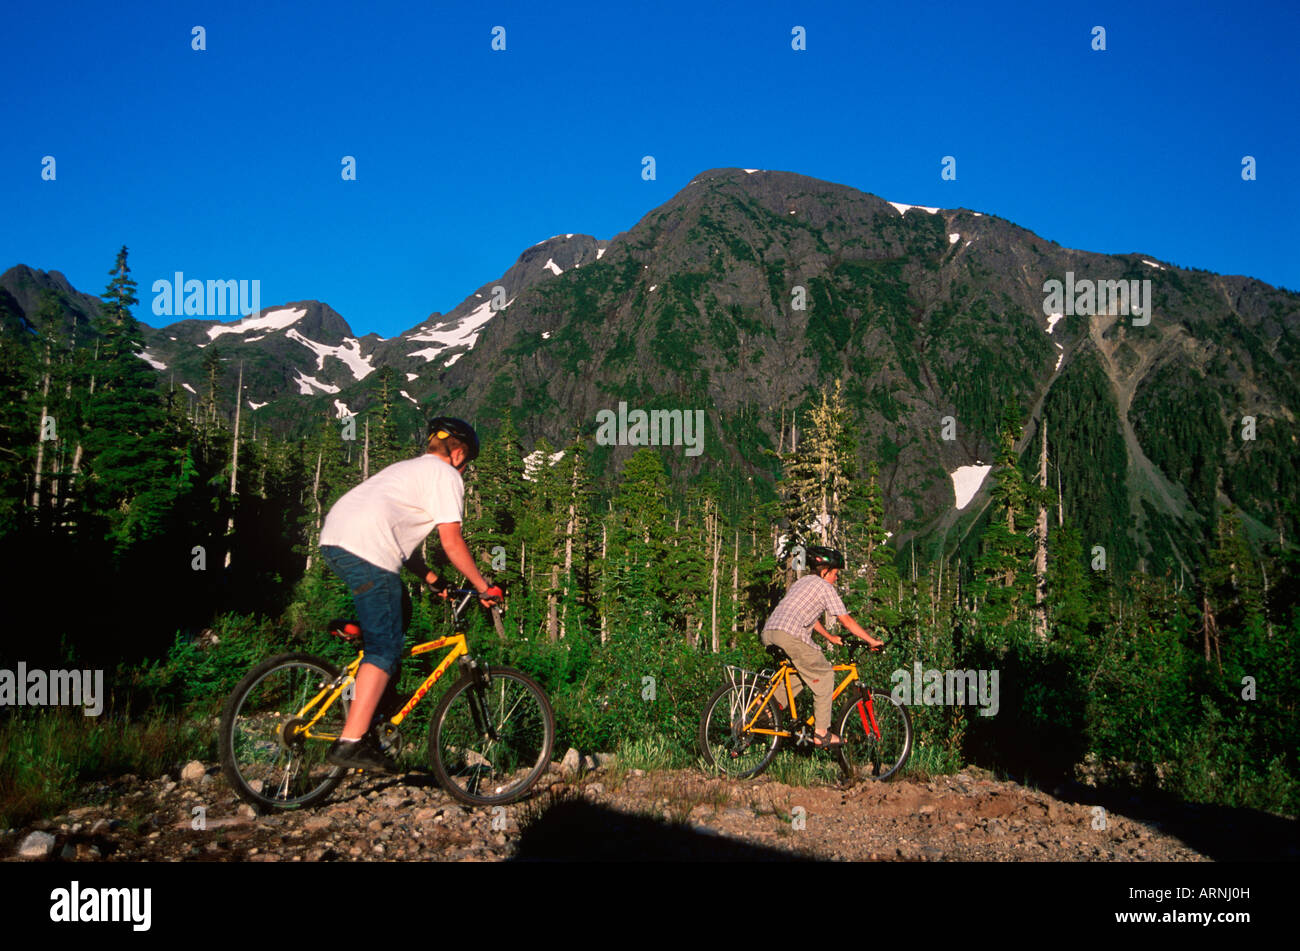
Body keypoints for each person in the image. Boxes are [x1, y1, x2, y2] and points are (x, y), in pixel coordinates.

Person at [318, 416, 503, 771]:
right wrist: (483, 588)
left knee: (399, 607)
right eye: (468, 464)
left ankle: (370, 695)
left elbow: (402, 543)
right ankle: (351, 742)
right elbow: (451, 542)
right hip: (369, 549)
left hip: (335, 540)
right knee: (386, 648)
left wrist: (434, 580)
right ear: (460, 454)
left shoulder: (407, 469)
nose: (465, 471)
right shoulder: (447, 475)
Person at [761, 545, 883, 747]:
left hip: (771, 632)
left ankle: (763, 711)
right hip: (790, 635)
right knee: (825, 673)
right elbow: (847, 621)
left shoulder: (802, 583)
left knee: (800, 673)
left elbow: (810, 617)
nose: (836, 578)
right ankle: (821, 733)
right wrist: (871, 641)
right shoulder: (825, 587)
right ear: (824, 571)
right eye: (835, 573)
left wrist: (829, 637)